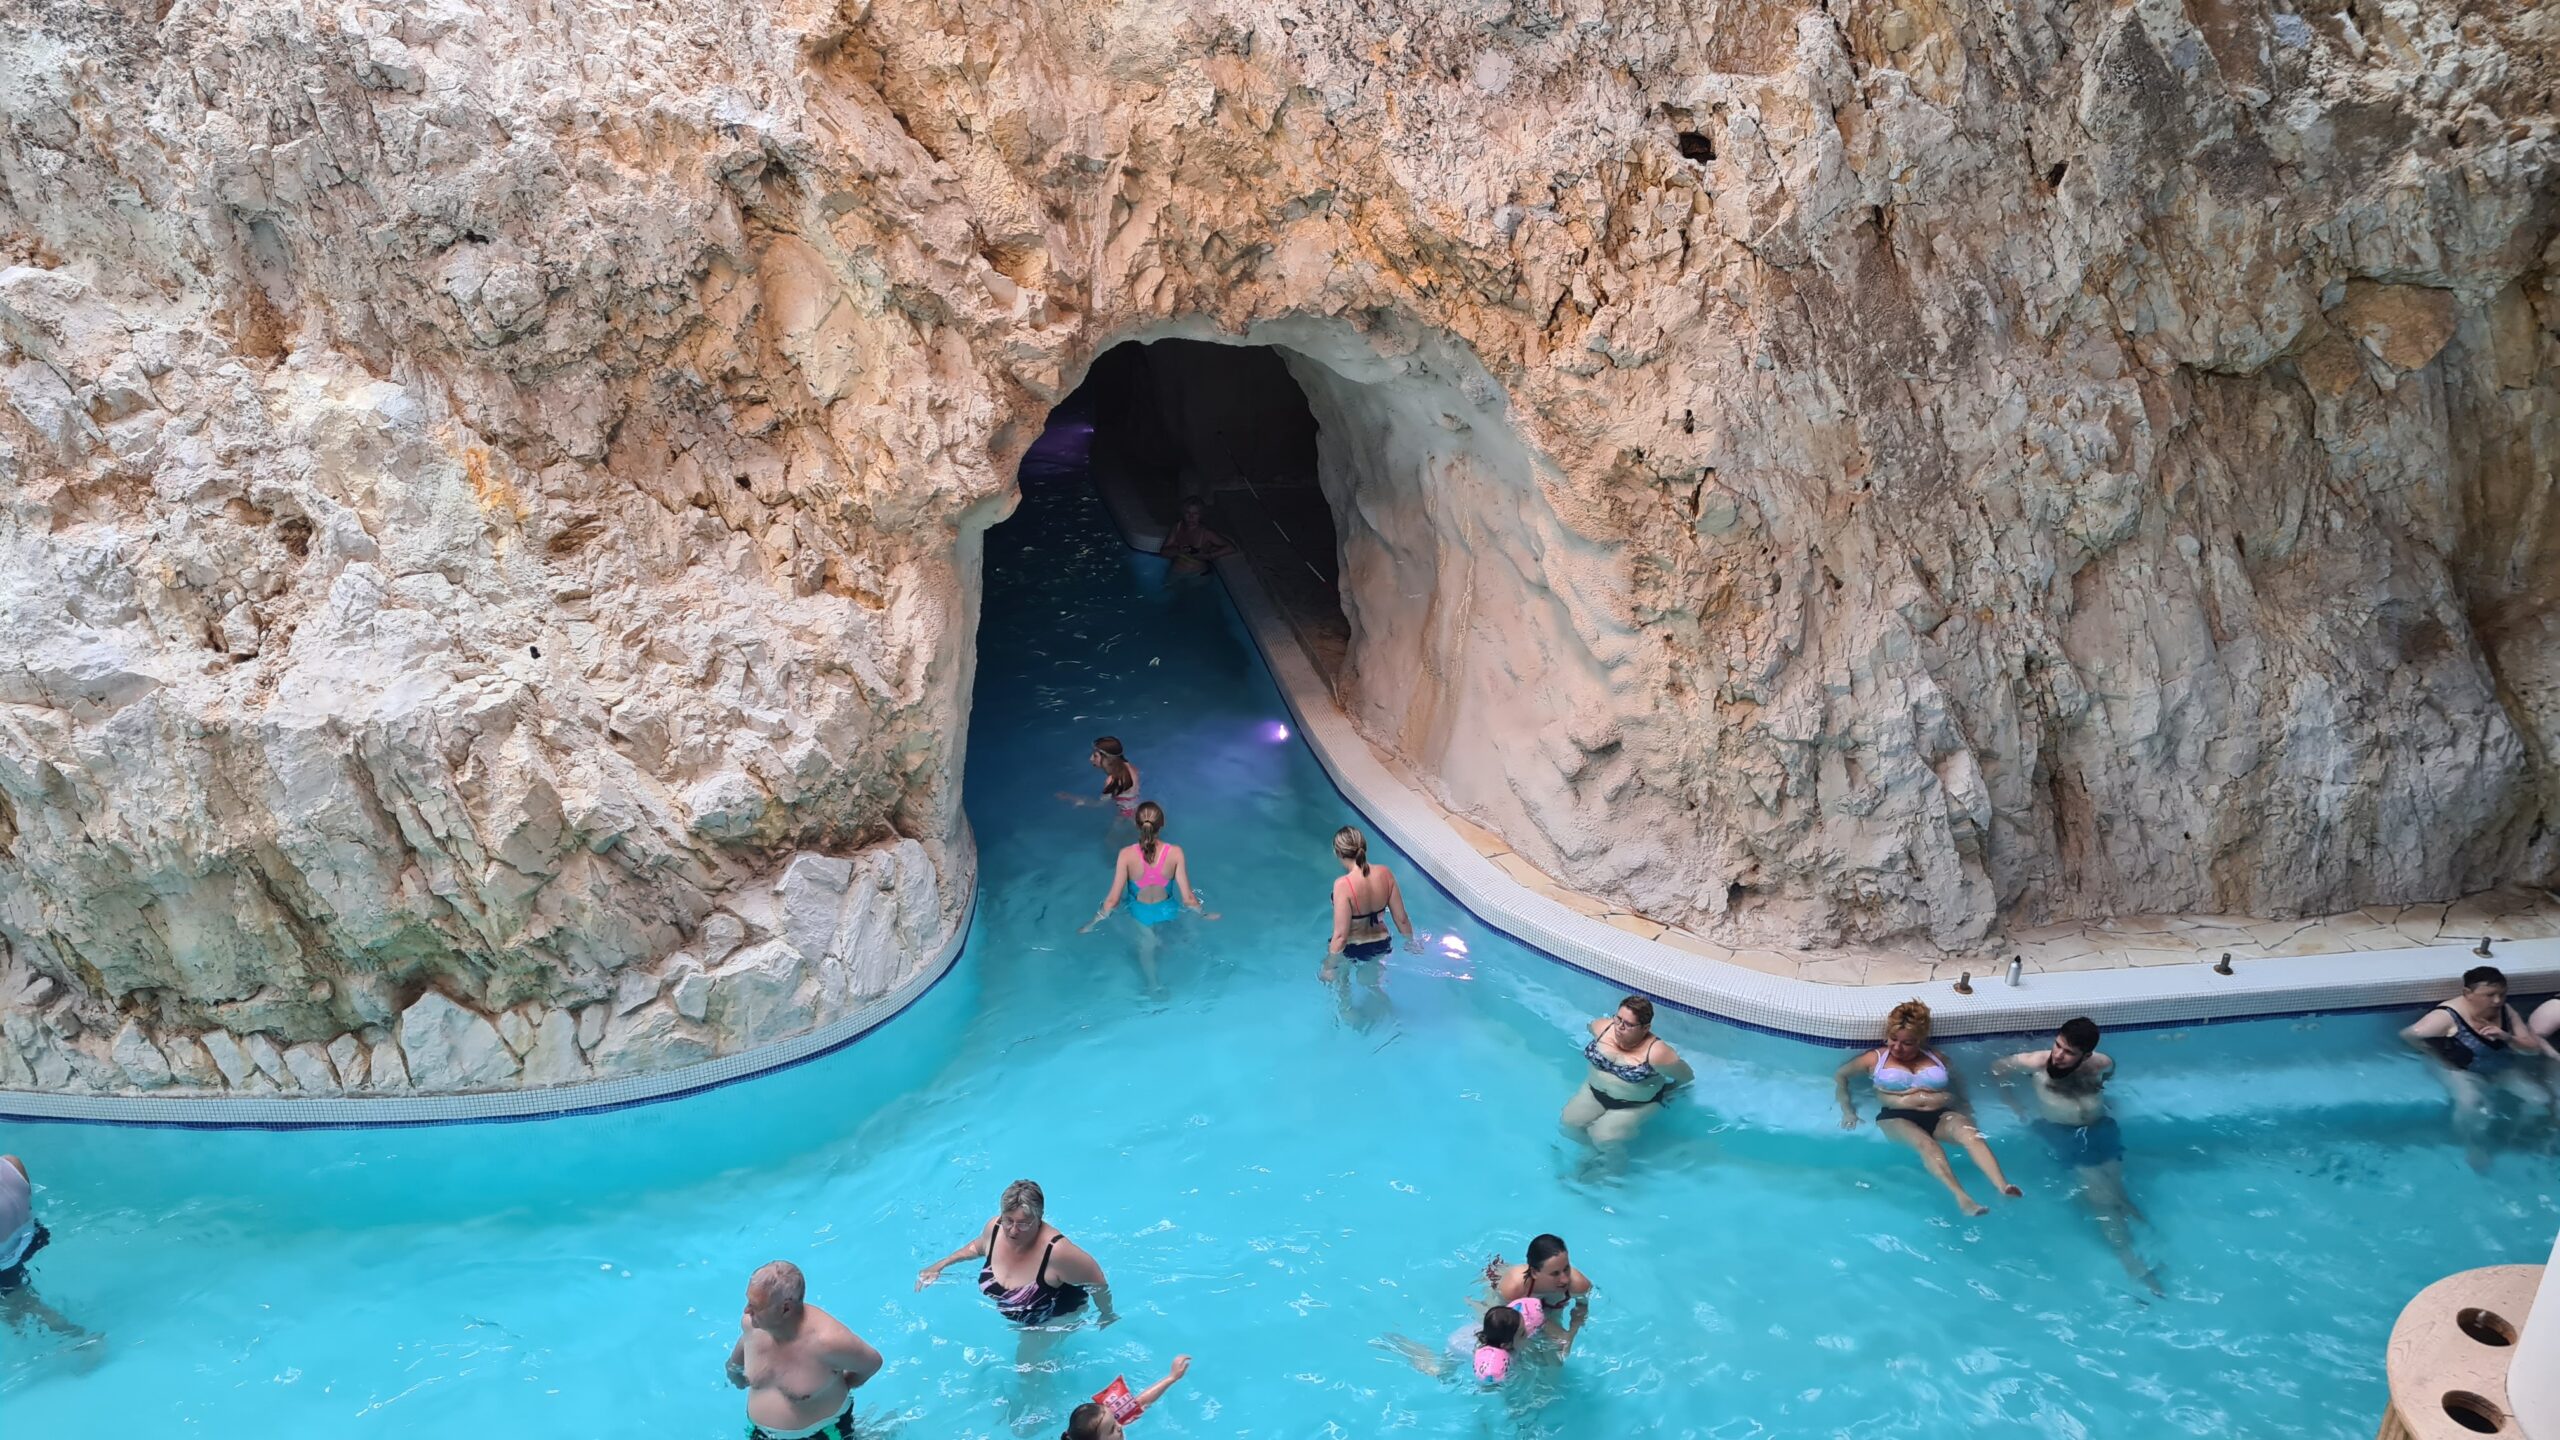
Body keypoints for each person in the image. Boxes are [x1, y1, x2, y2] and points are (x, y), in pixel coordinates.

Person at [1992, 1018, 2159, 1294]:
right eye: (2057, 1045)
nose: (2058, 1054)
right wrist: (2012, 1102)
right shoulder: (2035, 1062)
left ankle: (2139, 1224)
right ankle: (2130, 1260)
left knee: (2117, 1189)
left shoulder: (2099, 1064)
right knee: (2101, 1200)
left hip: (2100, 1129)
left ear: (2086, 1055)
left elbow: (2109, 1072)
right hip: (2062, 1134)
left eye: (2069, 1052)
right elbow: (1996, 1069)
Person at [1833, 999, 2022, 1217]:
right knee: (1927, 1144)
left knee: (1971, 1134)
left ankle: (2003, 1186)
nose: (1897, 1047)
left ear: (1921, 1040)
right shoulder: (1875, 1058)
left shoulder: (1937, 1057)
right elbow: (1841, 1075)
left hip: (1940, 1114)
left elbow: (1959, 1082)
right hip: (1896, 1117)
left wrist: (1965, 1108)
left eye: (1907, 1043)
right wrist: (1848, 1110)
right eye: (1893, 1039)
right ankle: (1962, 1198)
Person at [2401, 966, 2556, 1167]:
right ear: (2468, 993)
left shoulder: (2506, 1012)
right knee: (2471, 1103)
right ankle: (2472, 1144)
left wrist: (2507, 1037)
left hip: (2499, 1067)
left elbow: (2532, 1049)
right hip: (2461, 1070)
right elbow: (2409, 1035)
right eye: (2490, 995)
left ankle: (2516, 1135)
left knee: (2540, 1100)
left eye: (2502, 994)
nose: (2497, 1001)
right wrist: (2437, 1056)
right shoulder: (2446, 1016)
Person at [916, 1179, 1116, 1329]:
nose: (1012, 1230)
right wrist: (940, 1265)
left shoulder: (1058, 1253)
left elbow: (1097, 1281)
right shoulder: (995, 1228)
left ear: (1039, 1218)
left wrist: (1106, 1314)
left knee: (1026, 1368)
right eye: (1008, 1220)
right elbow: (977, 1247)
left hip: (1054, 1317)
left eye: (1023, 1223)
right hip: (1017, 1315)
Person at [725, 1260, 883, 1440]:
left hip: (824, 1433)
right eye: (748, 1301)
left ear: (785, 1308)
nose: (746, 1310)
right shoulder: (752, 1324)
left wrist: (844, 1384)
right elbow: (736, 1362)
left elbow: (873, 1363)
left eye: (755, 1306)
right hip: (759, 1433)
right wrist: (735, 1373)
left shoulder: (829, 1342)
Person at [1080, 800, 1214, 988]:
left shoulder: (1126, 855)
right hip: (1168, 910)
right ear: (1163, 824)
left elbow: (1112, 900)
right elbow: (1189, 898)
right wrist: (1204, 914)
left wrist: (1092, 923)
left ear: (1136, 825)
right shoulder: (1175, 852)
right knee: (1176, 938)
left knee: (1147, 944)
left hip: (1140, 913)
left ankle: (1153, 986)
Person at [1559, 994, 1695, 1146]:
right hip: (1593, 1092)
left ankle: (1612, 1166)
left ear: (1645, 1028)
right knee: (1570, 1122)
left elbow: (1686, 1076)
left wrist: (1669, 1090)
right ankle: (1591, 1155)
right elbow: (1588, 1027)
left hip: (1634, 1105)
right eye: (1618, 1019)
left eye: (1629, 1024)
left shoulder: (1657, 1053)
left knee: (1604, 1137)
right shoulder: (1602, 1028)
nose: (1619, 1027)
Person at [1323, 826, 1419, 984]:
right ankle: (1381, 1000)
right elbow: (1401, 919)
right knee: (1373, 983)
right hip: (1381, 943)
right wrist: (1411, 942)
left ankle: (1346, 1008)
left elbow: (1340, 936)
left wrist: (1329, 966)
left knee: (1342, 986)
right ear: (1364, 847)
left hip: (1352, 947)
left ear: (1338, 853)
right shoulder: (1385, 873)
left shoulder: (1342, 885)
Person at [1, 1152, 81, 1341]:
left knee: (26, 1304)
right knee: (16, 1304)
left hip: (5, 1264)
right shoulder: (12, 1164)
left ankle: (80, 1339)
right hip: (31, 1241)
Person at [1381, 1297, 1539, 1381]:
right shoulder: (1492, 1364)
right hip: (1459, 1344)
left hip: (1481, 1331)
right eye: (1523, 1333)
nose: (1528, 1332)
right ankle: (1412, 1349)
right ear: (1506, 1345)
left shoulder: (1507, 1338)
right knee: (1440, 1373)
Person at [1483, 1234, 1591, 1356]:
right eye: (1555, 1273)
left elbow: (1581, 1307)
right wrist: (1553, 1330)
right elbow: (1502, 1322)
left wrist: (1571, 1334)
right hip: (1513, 1307)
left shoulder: (1579, 1285)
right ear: (1534, 1272)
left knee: (1554, 1360)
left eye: (1566, 1268)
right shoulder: (1513, 1288)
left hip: (1550, 1310)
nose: (1565, 1279)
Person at [1066, 1354, 1192, 1438]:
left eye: (1115, 1418)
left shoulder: (1105, 1425)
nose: (1120, 1425)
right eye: (1112, 1429)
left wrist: (1172, 1377)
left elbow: (1141, 1402)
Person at [1059, 737, 1143, 820]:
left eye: (1095, 756)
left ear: (1108, 759)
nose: (1091, 759)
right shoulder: (1130, 767)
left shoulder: (1111, 781)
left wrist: (1073, 798)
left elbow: (1099, 804)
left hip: (1124, 817)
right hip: (1138, 809)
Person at [1158, 497, 1236, 575]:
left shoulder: (1206, 533)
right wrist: (1179, 550)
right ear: (1183, 513)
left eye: (1195, 514)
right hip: (1175, 573)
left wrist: (1208, 556)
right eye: (1187, 513)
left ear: (1201, 515)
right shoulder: (1177, 527)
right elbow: (1163, 552)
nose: (1191, 517)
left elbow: (1231, 548)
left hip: (1196, 575)